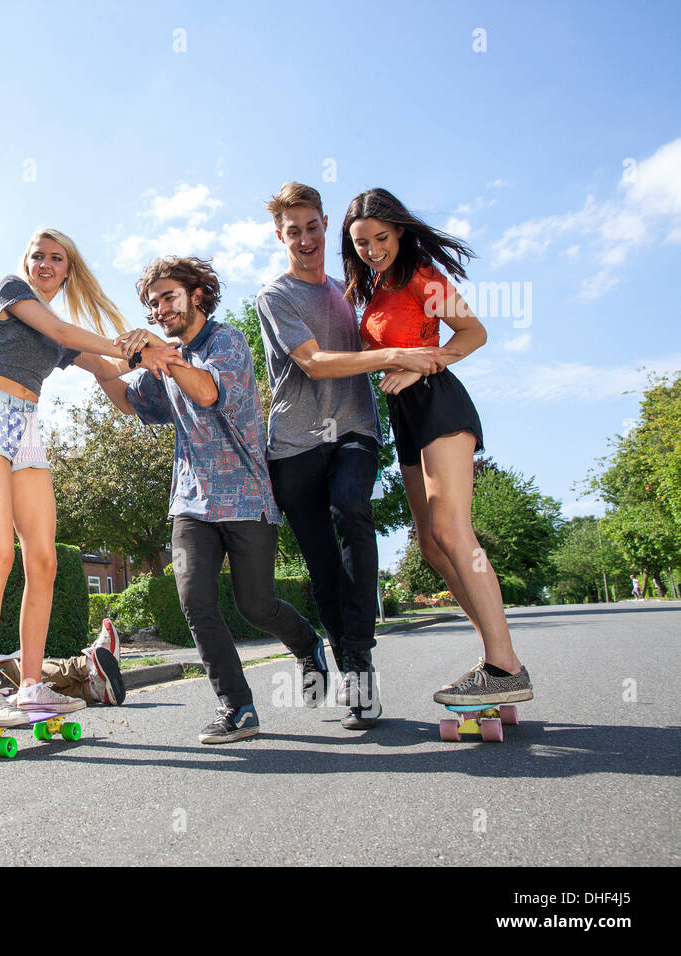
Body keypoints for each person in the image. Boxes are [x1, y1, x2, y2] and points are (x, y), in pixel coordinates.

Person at [98, 256, 324, 744]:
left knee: (256, 606)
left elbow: (205, 392)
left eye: (168, 297)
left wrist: (160, 352)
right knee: (195, 601)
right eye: (153, 303)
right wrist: (94, 362)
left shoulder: (226, 342)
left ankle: (307, 644)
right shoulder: (166, 360)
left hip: (245, 497)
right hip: (191, 502)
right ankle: (238, 708)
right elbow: (133, 403)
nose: (160, 308)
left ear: (197, 294)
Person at [0, 227, 179, 726]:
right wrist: (133, 348)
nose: (45, 264)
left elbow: (108, 378)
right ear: (28, 262)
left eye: (56, 258)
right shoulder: (11, 292)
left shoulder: (60, 332)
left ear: (68, 269)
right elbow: (63, 336)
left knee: (44, 558)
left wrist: (163, 378)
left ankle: (32, 686)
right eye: (38, 256)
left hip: (28, 427)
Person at [256, 182, 457, 729]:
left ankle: (360, 667)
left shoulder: (352, 291)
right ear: (280, 236)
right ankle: (345, 667)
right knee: (321, 567)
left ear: (326, 226)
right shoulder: (274, 297)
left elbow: (408, 304)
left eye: (312, 227)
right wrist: (396, 355)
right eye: (292, 231)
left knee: (352, 509)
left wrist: (425, 352)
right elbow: (316, 363)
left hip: (354, 432)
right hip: (294, 443)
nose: (303, 238)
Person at [341, 187, 533, 706]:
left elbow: (474, 332)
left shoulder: (422, 276)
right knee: (429, 544)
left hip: (439, 403)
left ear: (399, 231)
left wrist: (430, 359)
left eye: (381, 238)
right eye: (361, 243)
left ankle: (503, 664)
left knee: (452, 529)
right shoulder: (372, 287)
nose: (373, 249)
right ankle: (499, 656)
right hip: (405, 418)